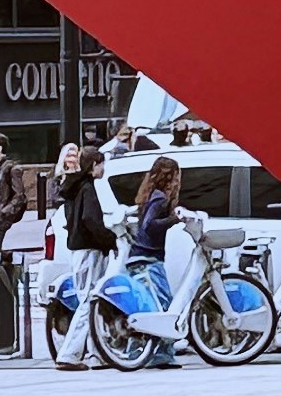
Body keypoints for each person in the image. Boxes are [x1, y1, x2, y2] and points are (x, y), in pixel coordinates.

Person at [54, 142, 119, 368]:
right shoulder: (88, 189)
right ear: (93, 166)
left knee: (89, 301)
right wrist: (109, 239)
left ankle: (96, 353)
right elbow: (91, 220)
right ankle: (69, 354)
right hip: (90, 249)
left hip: (78, 249)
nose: (103, 170)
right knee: (89, 302)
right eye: (101, 165)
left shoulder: (74, 187)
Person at [125, 152, 185, 366]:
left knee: (148, 307)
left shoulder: (151, 195)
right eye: (176, 176)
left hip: (140, 258)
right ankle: (159, 354)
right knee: (162, 306)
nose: (178, 181)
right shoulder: (160, 198)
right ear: (169, 177)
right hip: (147, 260)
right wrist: (173, 219)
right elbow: (150, 225)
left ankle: (141, 352)